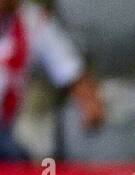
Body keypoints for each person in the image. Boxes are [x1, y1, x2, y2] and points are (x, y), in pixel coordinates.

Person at [0, 0, 103, 160]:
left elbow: (69, 67)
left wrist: (88, 101)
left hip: (4, 132)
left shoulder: (32, 20)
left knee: (19, 162)